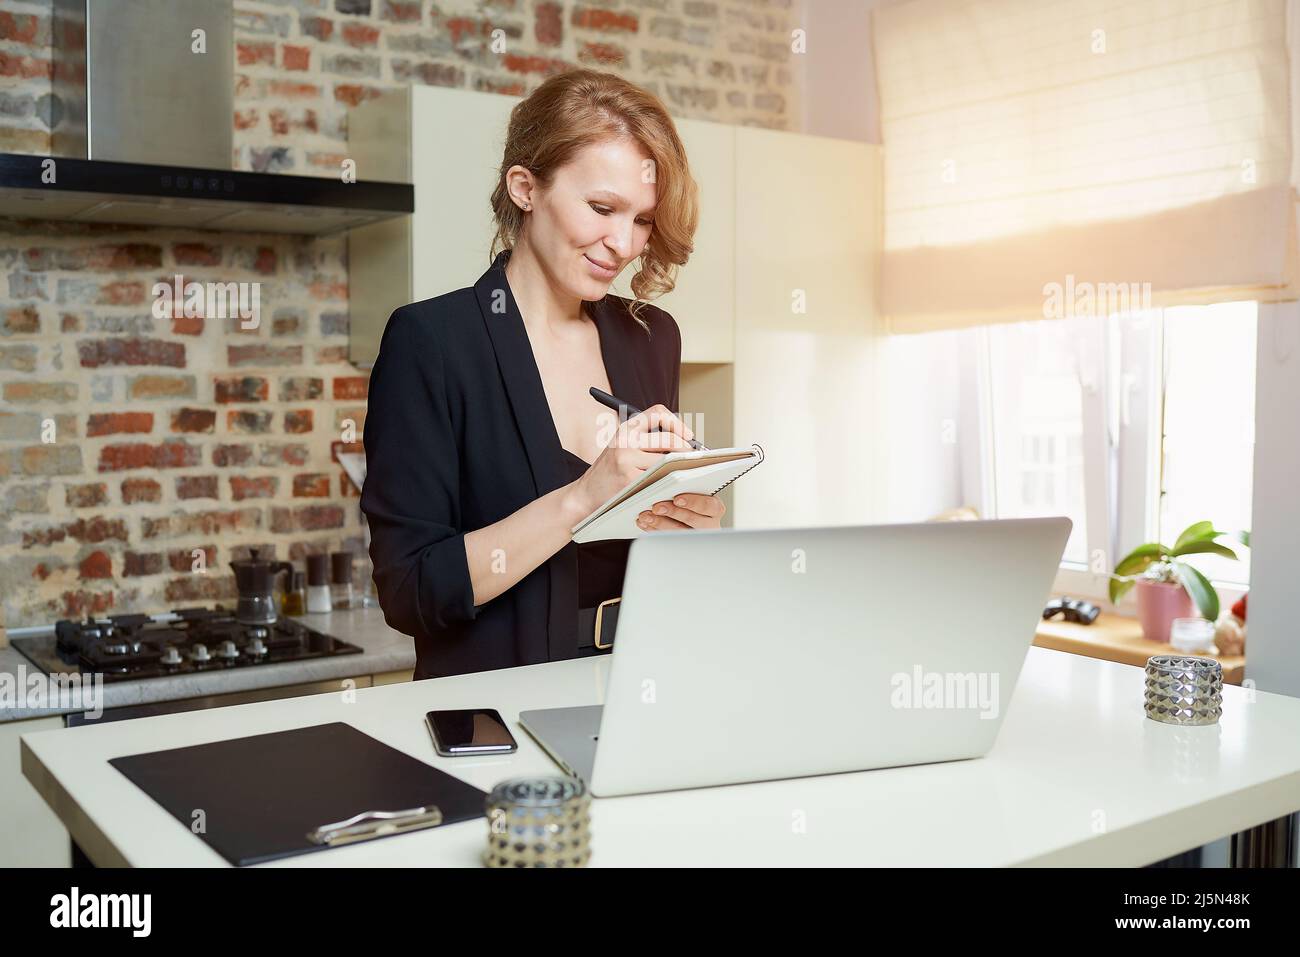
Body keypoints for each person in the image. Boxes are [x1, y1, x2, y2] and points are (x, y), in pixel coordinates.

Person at [360, 68, 724, 680]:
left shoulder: (651, 338)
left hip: (641, 684)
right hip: (491, 710)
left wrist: (688, 527)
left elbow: (646, 559)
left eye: (641, 220)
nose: (624, 243)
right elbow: (412, 591)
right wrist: (583, 498)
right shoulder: (433, 343)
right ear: (526, 188)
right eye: (602, 208)